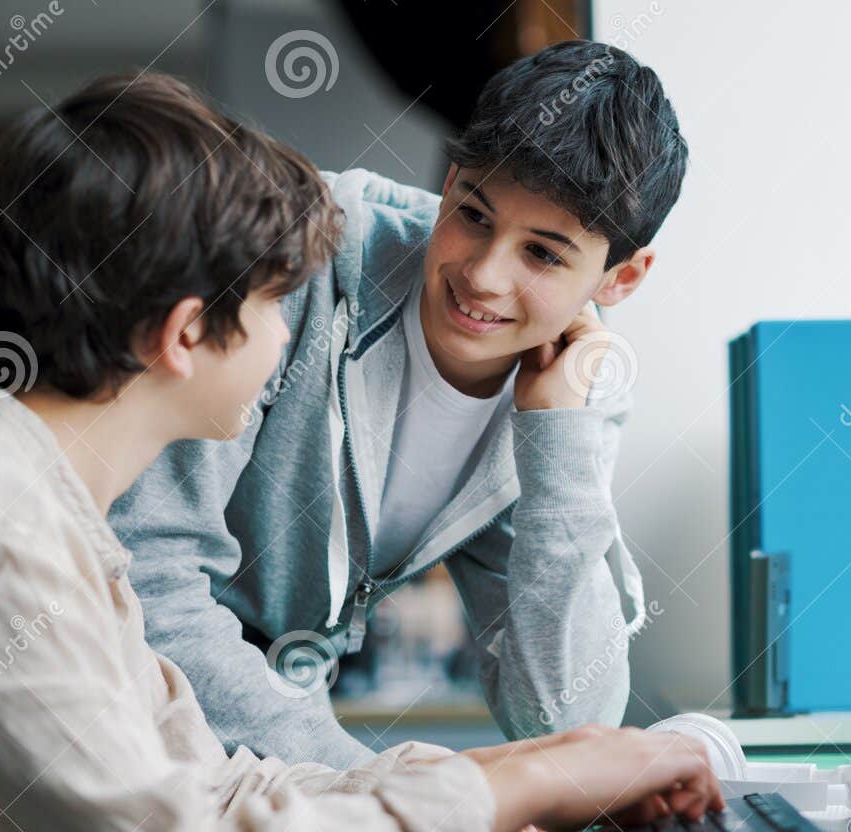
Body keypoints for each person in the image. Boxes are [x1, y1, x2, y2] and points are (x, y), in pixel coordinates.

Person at [0, 73, 719, 832]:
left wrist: (539, 777)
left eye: (544, 255)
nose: (293, 337)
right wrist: (505, 791)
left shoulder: (53, 524)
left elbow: (214, 793)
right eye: (275, 303)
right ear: (189, 335)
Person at [110, 40, 689, 766]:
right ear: (450, 180)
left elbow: (562, 718)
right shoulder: (292, 267)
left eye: (541, 254)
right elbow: (147, 583)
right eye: (473, 215)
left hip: (257, 746)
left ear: (622, 277)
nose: (482, 275)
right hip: (120, 711)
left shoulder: (569, 394)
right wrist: (363, 782)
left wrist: (561, 439)